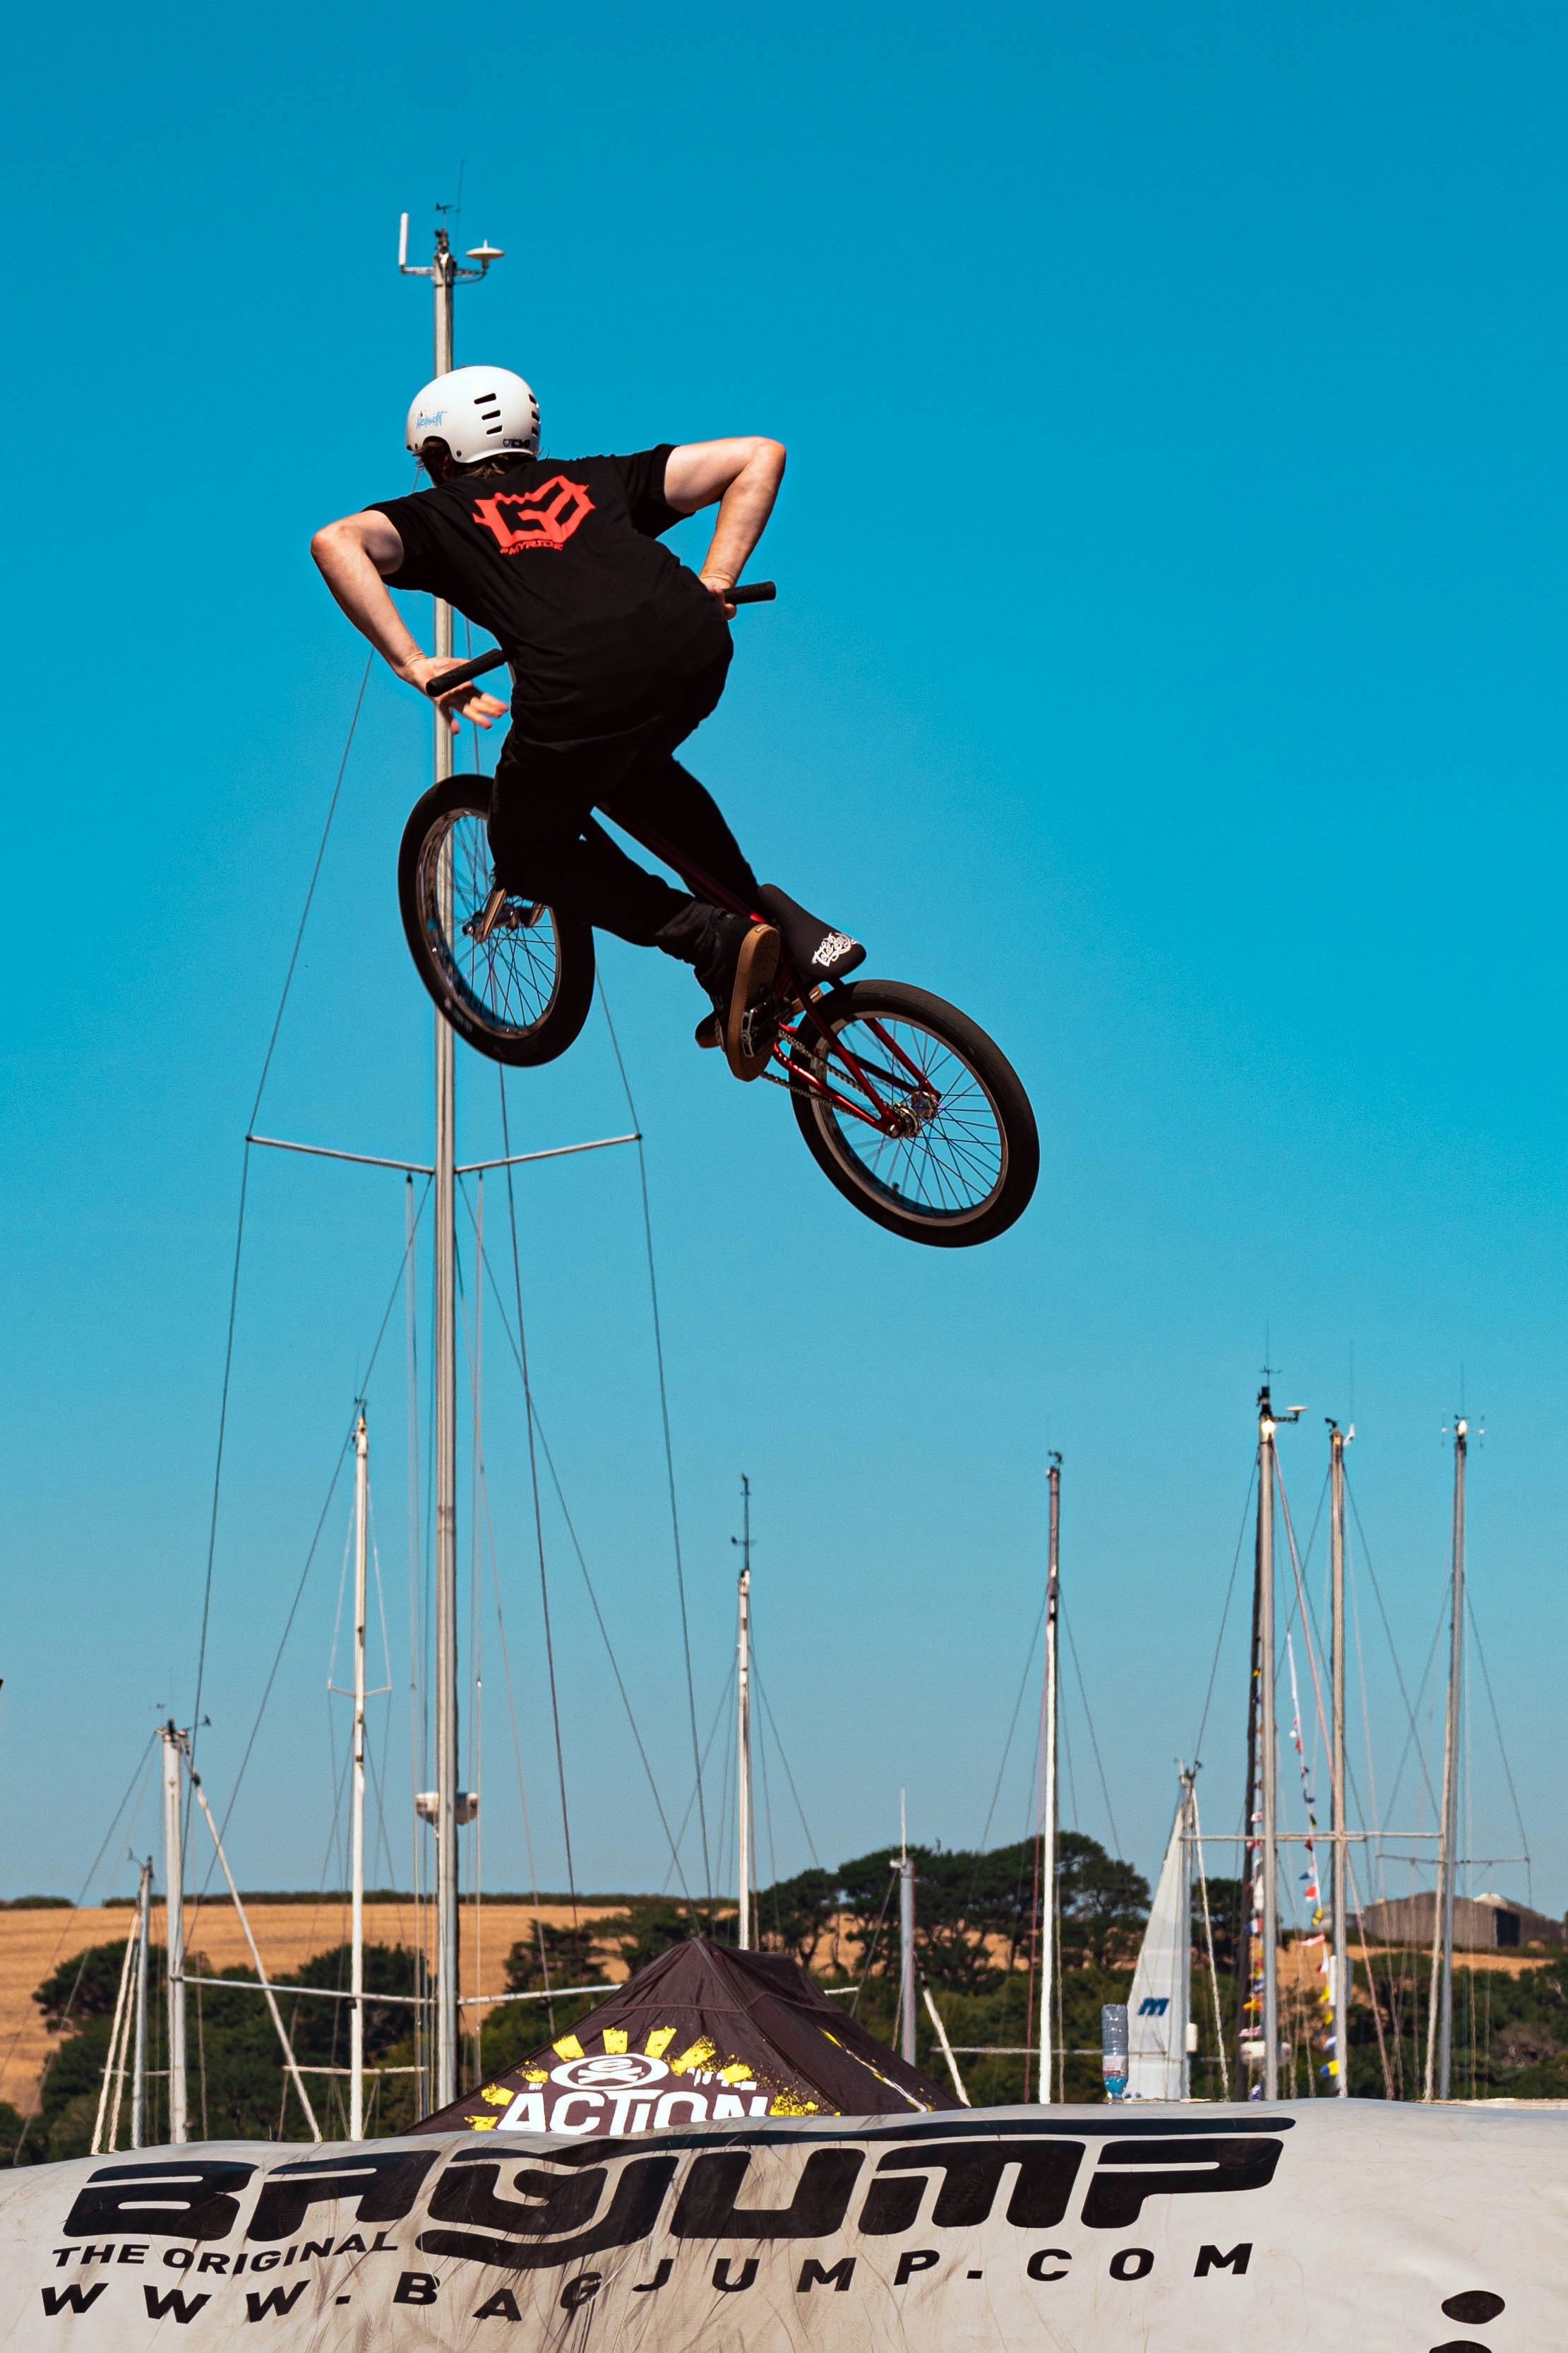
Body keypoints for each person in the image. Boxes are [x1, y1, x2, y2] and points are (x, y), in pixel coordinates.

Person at [311, 365, 863, 1078]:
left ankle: (709, 938)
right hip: (693, 652)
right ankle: (770, 925)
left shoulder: (436, 515)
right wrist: (716, 580)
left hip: (577, 687)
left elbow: (335, 542)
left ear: (442, 456)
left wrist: (414, 663)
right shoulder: (598, 479)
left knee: (527, 852)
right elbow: (760, 453)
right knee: (632, 767)